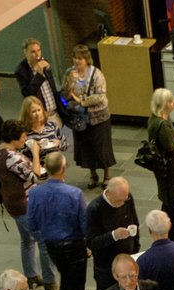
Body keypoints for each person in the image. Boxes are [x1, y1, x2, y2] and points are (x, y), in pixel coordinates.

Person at [28, 151, 90, 290]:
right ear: (63, 169)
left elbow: (32, 223)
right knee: (77, 287)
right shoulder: (75, 194)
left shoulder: (36, 192)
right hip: (74, 245)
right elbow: (84, 223)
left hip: (52, 245)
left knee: (66, 281)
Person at [0, 119, 54, 290]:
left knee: (27, 240)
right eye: (22, 137)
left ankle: (31, 276)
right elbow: (36, 177)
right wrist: (35, 153)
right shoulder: (12, 158)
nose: (25, 139)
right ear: (14, 139)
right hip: (24, 204)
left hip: (12, 202)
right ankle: (50, 281)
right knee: (43, 241)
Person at [64, 46, 116, 189]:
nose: (76, 61)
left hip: (98, 116)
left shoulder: (97, 74)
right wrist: (70, 83)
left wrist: (82, 101)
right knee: (86, 147)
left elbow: (100, 96)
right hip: (80, 118)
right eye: (74, 57)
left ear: (86, 59)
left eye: (79, 58)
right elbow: (65, 95)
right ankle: (93, 175)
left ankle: (107, 175)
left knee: (101, 147)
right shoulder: (69, 73)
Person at [85, 176, 140, 290]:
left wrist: (135, 249)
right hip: (106, 267)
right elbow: (91, 242)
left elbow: (134, 222)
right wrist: (113, 235)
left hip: (127, 259)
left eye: (124, 200)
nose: (122, 204)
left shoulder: (127, 197)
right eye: (118, 201)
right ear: (109, 193)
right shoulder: (95, 209)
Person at [147, 90, 174, 237]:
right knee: (173, 201)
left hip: (168, 168)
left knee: (170, 199)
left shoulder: (159, 118)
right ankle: (169, 233)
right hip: (169, 168)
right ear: (165, 104)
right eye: (171, 101)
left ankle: (166, 229)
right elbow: (172, 148)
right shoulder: (162, 124)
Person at [15, 36, 62, 130]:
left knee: (59, 141)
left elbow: (52, 87)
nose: (37, 54)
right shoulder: (21, 70)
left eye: (39, 50)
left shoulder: (44, 62)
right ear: (25, 53)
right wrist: (39, 74)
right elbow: (27, 94)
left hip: (54, 113)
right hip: (40, 118)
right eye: (33, 52)